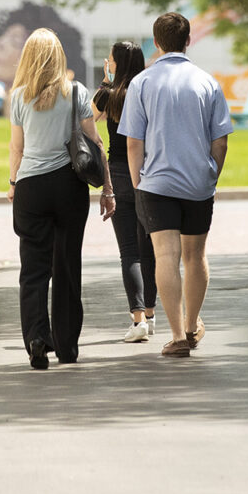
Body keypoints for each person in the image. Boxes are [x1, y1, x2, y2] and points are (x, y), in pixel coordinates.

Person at [118, 12, 231, 358]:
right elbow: (221, 141)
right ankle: (194, 324)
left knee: (165, 256)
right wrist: (211, 173)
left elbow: (134, 142)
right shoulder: (207, 83)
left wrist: (139, 183)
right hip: (198, 183)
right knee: (195, 256)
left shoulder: (142, 83)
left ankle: (177, 333)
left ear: (156, 43)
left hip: (156, 184)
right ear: (188, 40)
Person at [5, 29, 113, 369]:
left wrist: (12, 183)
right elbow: (94, 143)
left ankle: (37, 338)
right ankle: (67, 346)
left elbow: (17, 148)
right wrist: (108, 189)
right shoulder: (77, 92)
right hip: (68, 186)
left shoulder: (19, 96)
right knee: (67, 265)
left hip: (31, 188)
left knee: (33, 268)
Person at [92, 40, 156, 342]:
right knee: (151, 247)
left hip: (118, 173)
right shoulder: (148, 90)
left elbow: (87, 120)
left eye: (111, 59)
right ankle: (153, 315)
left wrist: (105, 82)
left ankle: (138, 318)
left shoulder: (109, 95)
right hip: (148, 172)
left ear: (116, 63)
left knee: (128, 250)